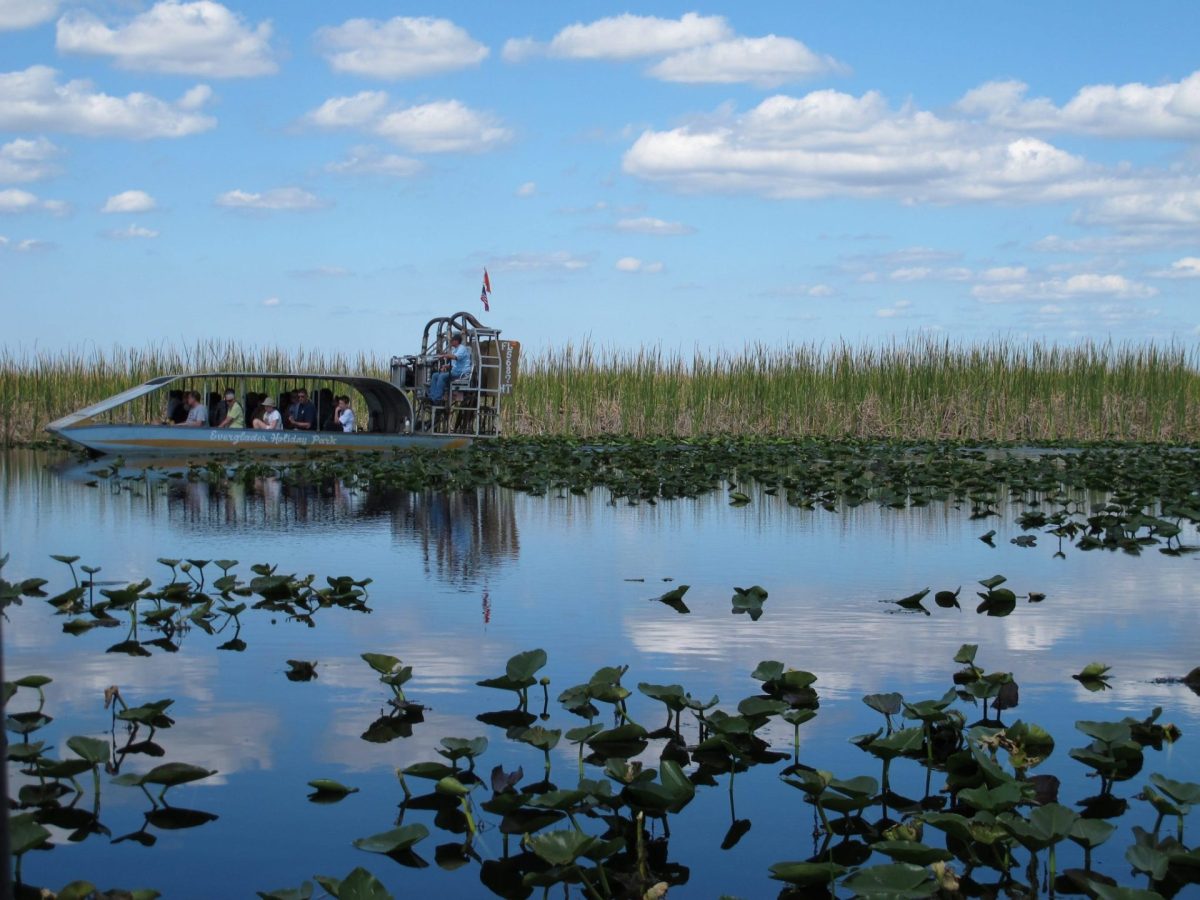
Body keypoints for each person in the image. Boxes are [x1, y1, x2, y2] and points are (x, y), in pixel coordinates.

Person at [428, 334, 472, 404]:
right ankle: (432, 397)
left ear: (456, 341)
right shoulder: (455, 350)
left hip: (461, 373)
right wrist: (445, 366)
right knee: (435, 375)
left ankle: (437, 399)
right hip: (455, 372)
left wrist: (444, 355)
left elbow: (455, 357)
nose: (451, 342)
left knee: (442, 376)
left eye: (452, 341)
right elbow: (453, 364)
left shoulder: (462, 348)